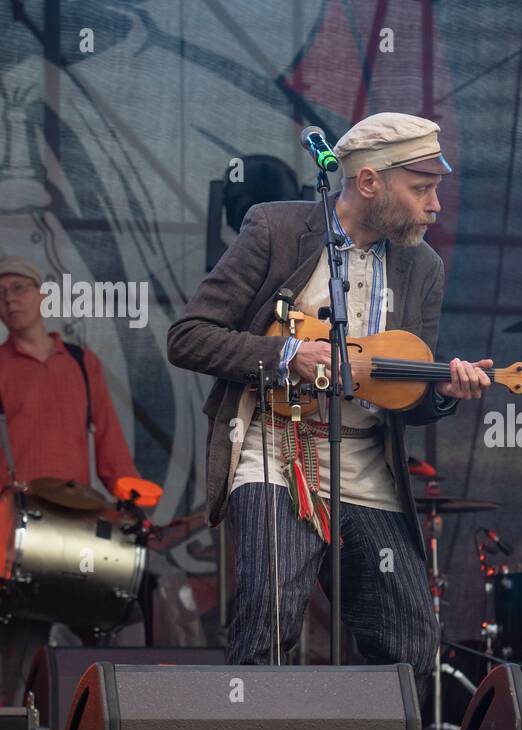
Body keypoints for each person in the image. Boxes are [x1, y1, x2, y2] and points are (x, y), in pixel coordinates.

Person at [168, 113, 491, 689]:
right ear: (369, 182)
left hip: (366, 466)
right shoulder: (274, 228)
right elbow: (188, 337)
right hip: (276, 452)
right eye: (422, 188)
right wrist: (286, 354)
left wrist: (443, 395)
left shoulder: (423, 268)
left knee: (412, 639)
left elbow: (403, 394)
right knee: (268, 622)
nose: (435, 205)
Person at [0, 255, 139, 703]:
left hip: (79, 539)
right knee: (21, 677)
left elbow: (113, 456)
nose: (9, 300)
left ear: (41, 295)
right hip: (11, 547)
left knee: (109, 659)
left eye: (18, 288)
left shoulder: (82, 363)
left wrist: (133, 499)